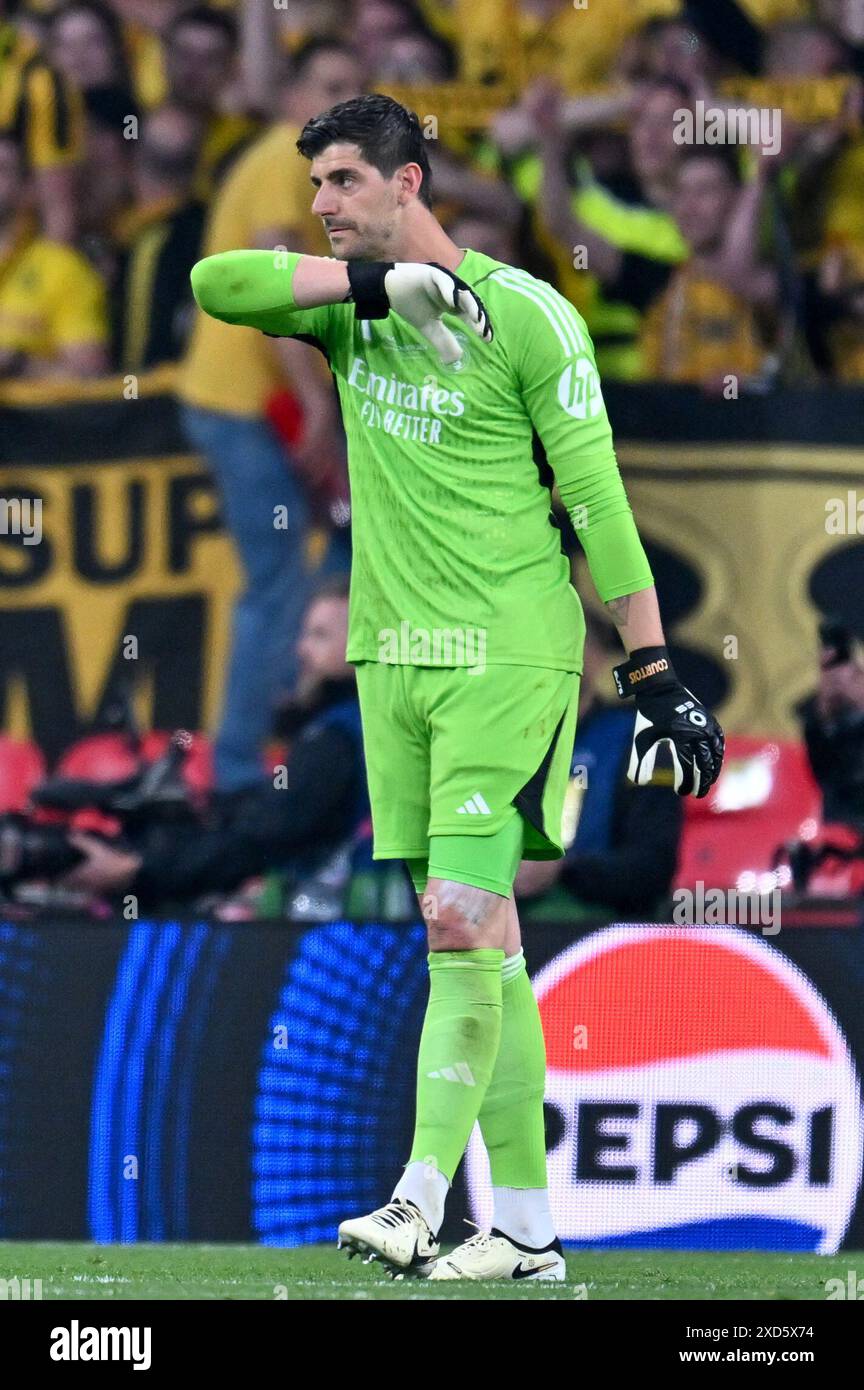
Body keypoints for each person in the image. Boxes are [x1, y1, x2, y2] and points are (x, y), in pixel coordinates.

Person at [189, 92, 724, 1283]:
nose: (321, 206)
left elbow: (597, 506)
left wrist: (650, 670)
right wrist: (374, 293)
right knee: (492, 943)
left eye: (341, 182)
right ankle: (528, 1232)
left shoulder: (530, 317)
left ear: (408, 183)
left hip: (511, 654)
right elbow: (212, 283)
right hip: (395, 660)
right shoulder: (347, 315)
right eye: (316, 184)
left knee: (454, 919)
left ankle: (416, 1199)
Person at [178, 37, 363, 794]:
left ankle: (302, 729)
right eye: (329, 84)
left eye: (354, 85)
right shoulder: (285, 160)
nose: (342, 99)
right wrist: (321, 403)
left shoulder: (312, 165)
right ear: (292, 94)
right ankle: (238, 774)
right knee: (280, 586)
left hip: (265, 402)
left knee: (342, 557)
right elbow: (274, 289)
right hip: (245, 402)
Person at [60, 574, 368, 910]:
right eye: (305, 633)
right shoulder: (355, 726)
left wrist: (139, 870)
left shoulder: (334, 738)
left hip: (351, 929)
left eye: (320, 635)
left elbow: (263, 838)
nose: (301, 649)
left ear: (361, 642)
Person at [515, 611, 683, 918]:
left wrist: (562, 871)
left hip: (601, 939)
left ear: (597, 654)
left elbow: (655, 866)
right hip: (496, 932)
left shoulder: (644, 739)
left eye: (570, 642)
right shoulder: (493, 739)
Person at [0, 132, 109, 378]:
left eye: (2, 170)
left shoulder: (63, 269)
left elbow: (90, 380)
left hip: (25, 415)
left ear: (27, 189)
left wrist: (19, 364)